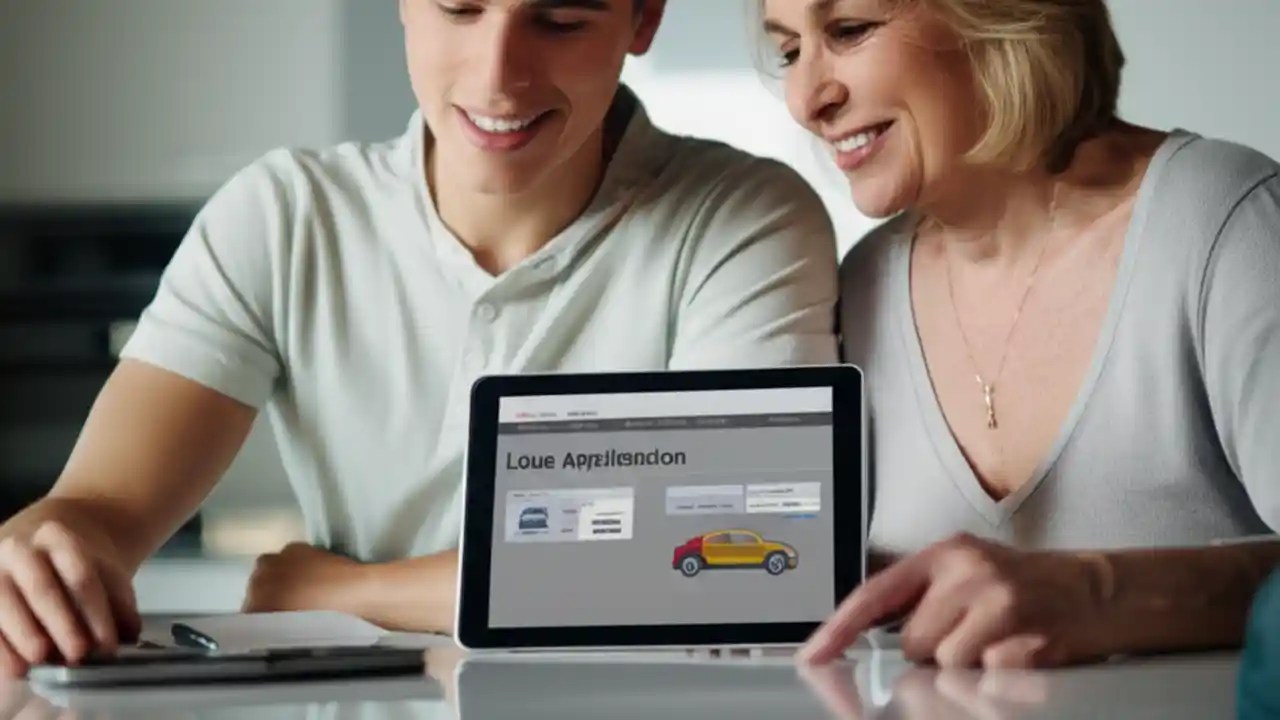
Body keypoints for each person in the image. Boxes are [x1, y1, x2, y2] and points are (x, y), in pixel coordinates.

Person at [0, 0, 840, 677]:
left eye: (559, 21)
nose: (498, 77)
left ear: (643, 19)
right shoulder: (284, 216)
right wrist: (45, 550)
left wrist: (346, 588)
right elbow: (101, 509)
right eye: (460, 8)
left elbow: (728, 567)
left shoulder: (745, 219)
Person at [759, 0, 1280, 667]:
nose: (807, 99)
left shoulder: (1221, 220)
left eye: (850, 30)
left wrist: (1101, 593)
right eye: (788, 52)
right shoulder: (860, 287)